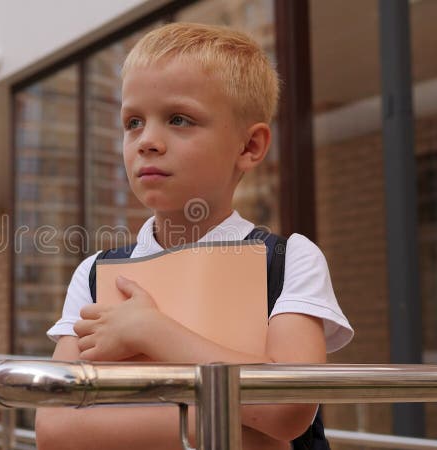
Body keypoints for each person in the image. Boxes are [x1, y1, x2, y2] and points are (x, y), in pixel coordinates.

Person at [35, 22, 353, 450]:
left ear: (250, 147)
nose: (147, 140)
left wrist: (151, 331)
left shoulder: (290, 259)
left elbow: (286, 408)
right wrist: (233, 432)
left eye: (178, 119)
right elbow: (54, 429)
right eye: (132, 122)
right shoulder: (94, 273)